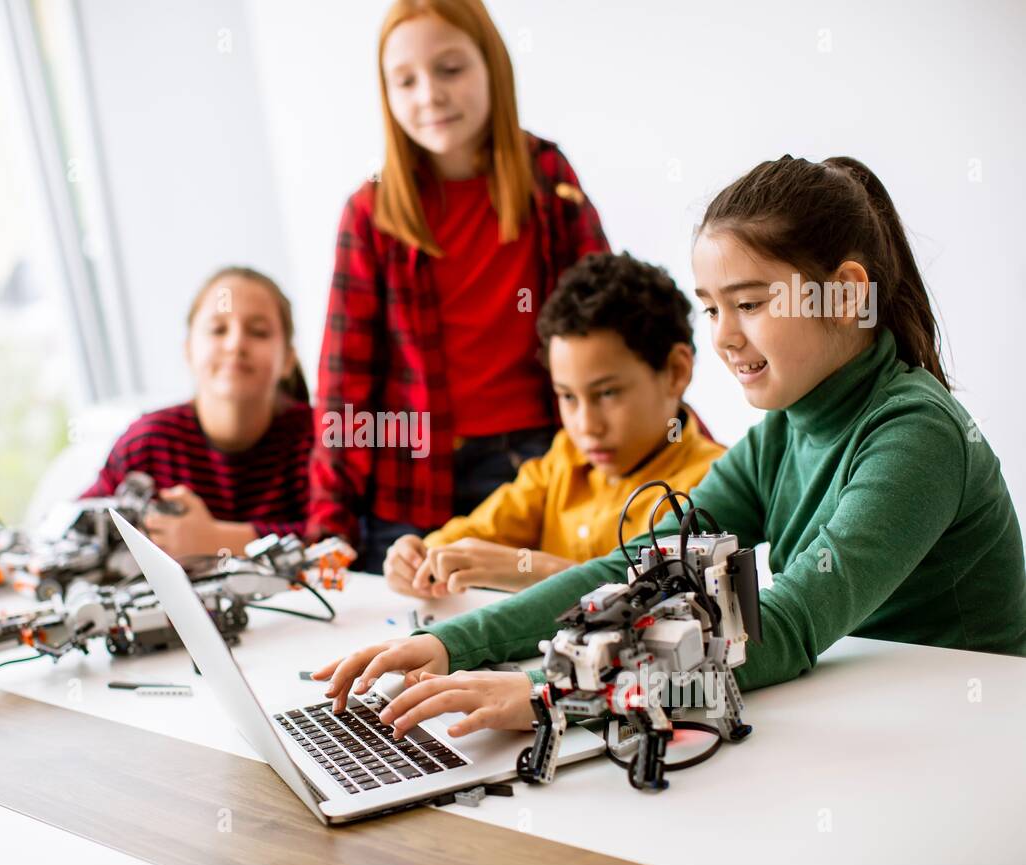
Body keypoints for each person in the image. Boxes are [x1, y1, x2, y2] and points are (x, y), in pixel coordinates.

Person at [315, 155, 1026, 740]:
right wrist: (457, 643)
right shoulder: (783, 433)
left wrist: (552, 690)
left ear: (843, 295)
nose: (722, 336)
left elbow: (790, 624)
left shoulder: (916, 435)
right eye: (712, 308)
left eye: (749, 304)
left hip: (964, 738)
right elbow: (640, 568)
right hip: (861, 716)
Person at [308, 0, 610, 570]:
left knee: (536, 633)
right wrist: (329, 524)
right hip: (412, 485)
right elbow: (344, 387)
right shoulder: (370, 213)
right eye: (406, 80)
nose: (430, 95)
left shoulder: (548, 178)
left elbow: (612, 323)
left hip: (537, 465)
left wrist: (668, 432)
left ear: (492, 65)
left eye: (450, 69)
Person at [384, 251, 725, 596]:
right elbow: (471, 534)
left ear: (676, 372)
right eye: (567, 397)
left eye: (607, 393)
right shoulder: (563, 459)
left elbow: (677, 601)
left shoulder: (714, 483)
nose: (587, 426)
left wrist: (543, 570)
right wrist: (416, 555)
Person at [82, 266, 312, 557]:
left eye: (258, 332)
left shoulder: (317, 441)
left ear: (289, 359)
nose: (235, 344)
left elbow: (342, 537)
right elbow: (76, 527)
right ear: (189, 349)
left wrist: (216, 539)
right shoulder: (146, 443)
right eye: (218, 329)